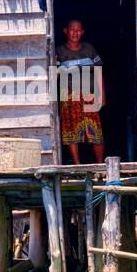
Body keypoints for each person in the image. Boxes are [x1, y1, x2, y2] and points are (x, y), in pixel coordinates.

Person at [56, 19, 105, 164]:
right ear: (66, 31)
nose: (75, 33)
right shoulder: (59, 51)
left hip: (89, 94)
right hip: (69, 96)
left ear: (82, 32)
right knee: (71, 131)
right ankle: (77, 165)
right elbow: (55, 74)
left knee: (95, 131)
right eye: (72, 29)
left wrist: (102, 94)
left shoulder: (89, 49)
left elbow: (98, 72)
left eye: (78, 30)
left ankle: (100, 165)